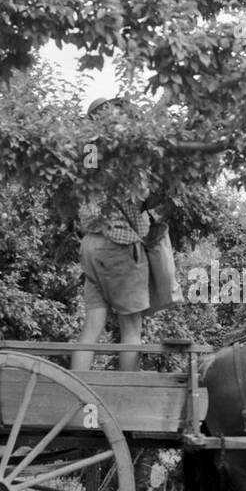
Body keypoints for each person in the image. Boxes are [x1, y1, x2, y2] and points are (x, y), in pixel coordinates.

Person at [71, 97, 160, 373]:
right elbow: (143, 195)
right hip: (119, 243)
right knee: (132, 328)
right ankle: (128, 396)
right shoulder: (125, 152)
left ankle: (78, 387)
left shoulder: (87, 151)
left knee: (93, 324)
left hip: (90, 244)